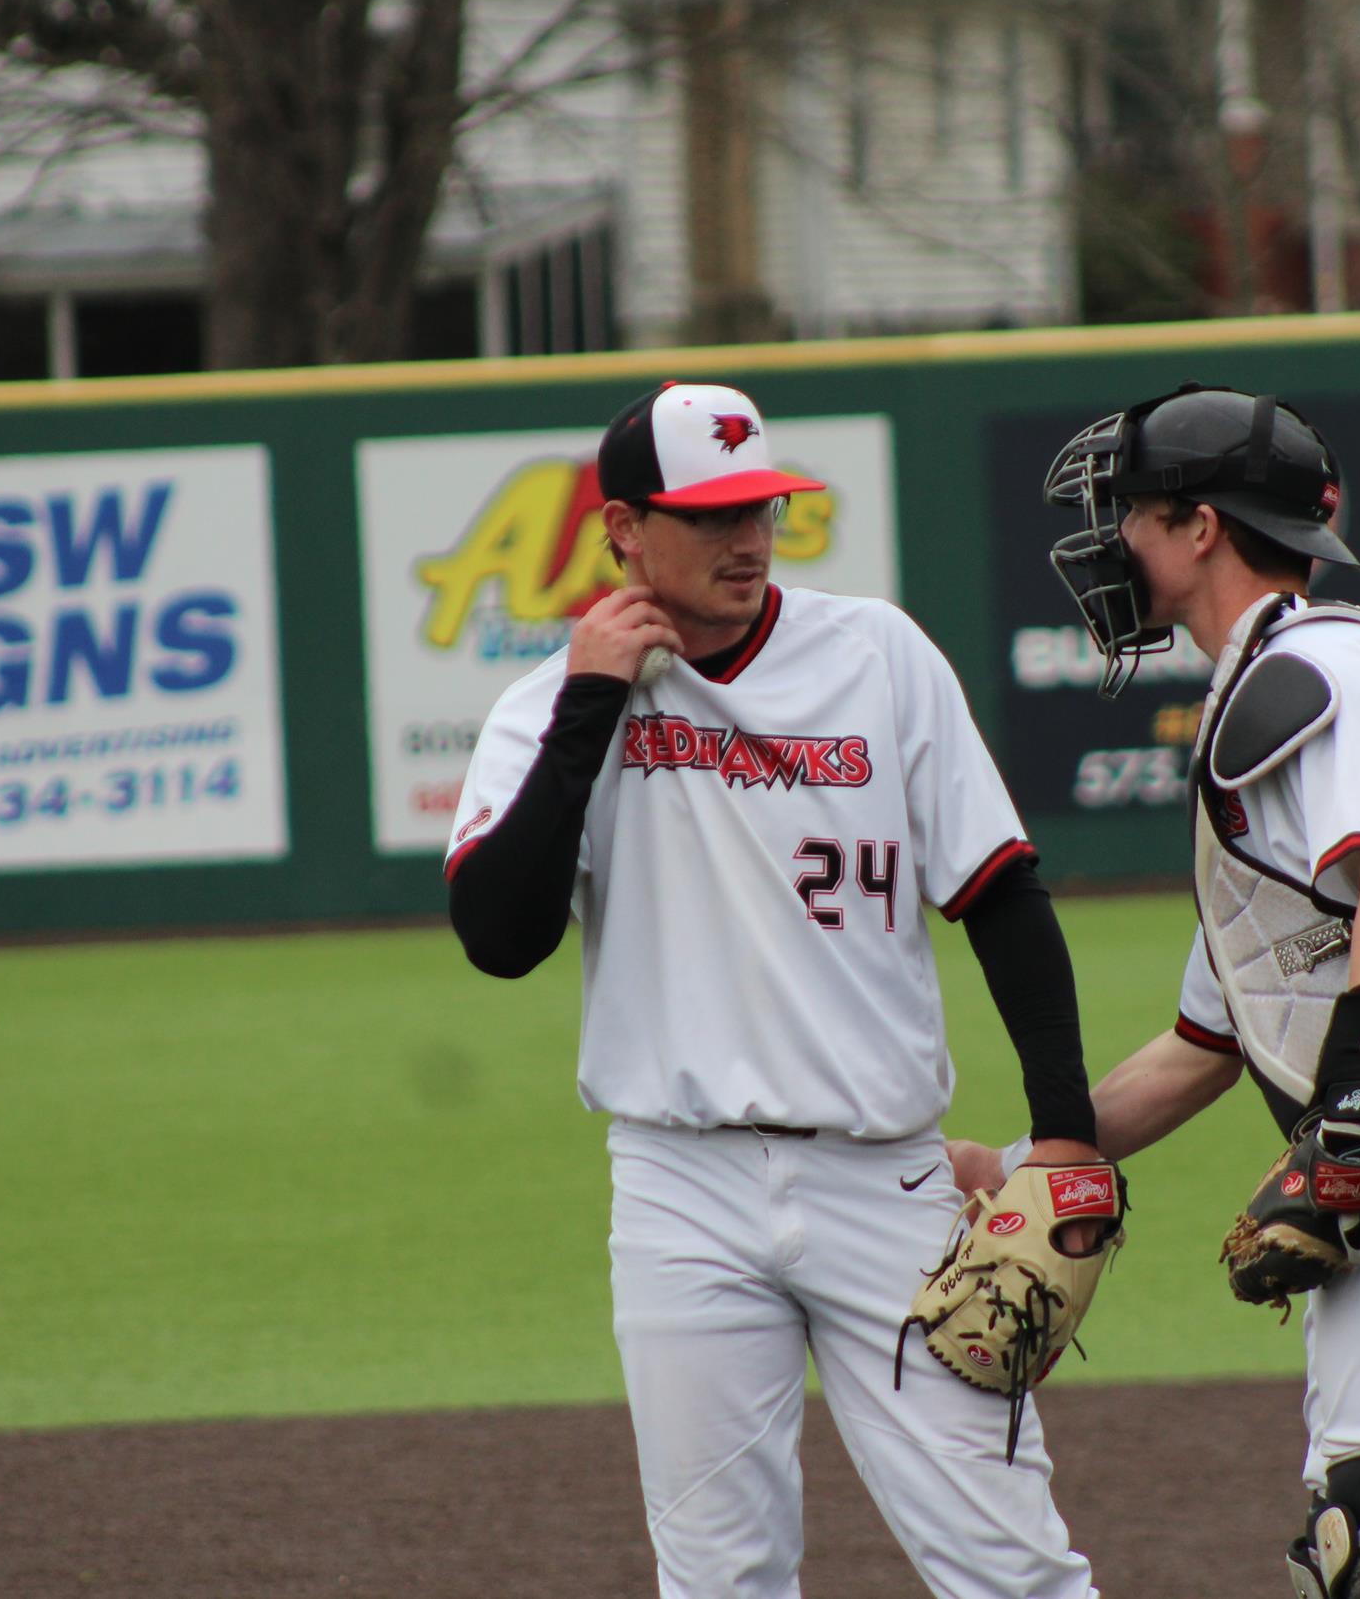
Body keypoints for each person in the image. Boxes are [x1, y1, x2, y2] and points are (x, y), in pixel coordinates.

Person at [445, 381, 1107, 1599]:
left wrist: (1064, 1127)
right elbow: (498, 933)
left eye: (763, 506)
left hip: (885, 1175)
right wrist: (593, 699)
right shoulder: (550, 708)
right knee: (719, 1576)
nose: (749, 538)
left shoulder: (877, 655)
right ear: (625, 532)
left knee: (1009, 1560)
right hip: (677, 1186)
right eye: (711, 515)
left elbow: (999, 892)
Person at [961, 383, 1360, 1599]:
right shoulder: (1266, 685)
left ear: (1200, 527)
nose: (1112, 540)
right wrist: (1037, 1152)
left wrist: (1354, 1101)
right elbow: (1204, 1042)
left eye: (1131, 510)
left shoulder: (1327, 665)